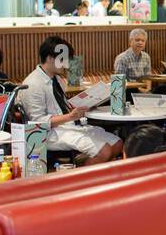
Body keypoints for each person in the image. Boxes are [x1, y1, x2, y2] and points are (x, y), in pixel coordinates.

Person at [18, 36, 122, 165]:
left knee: (117, 143)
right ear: (50, 58)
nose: (66, 64)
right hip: (49, 134)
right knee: (105, 151)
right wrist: (70, 116)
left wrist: (85, 105)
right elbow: (38, 122)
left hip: (68, 126)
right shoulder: (33, 84)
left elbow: (62, 106)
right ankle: (79, 178)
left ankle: (85, 166)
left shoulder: (58, 80)